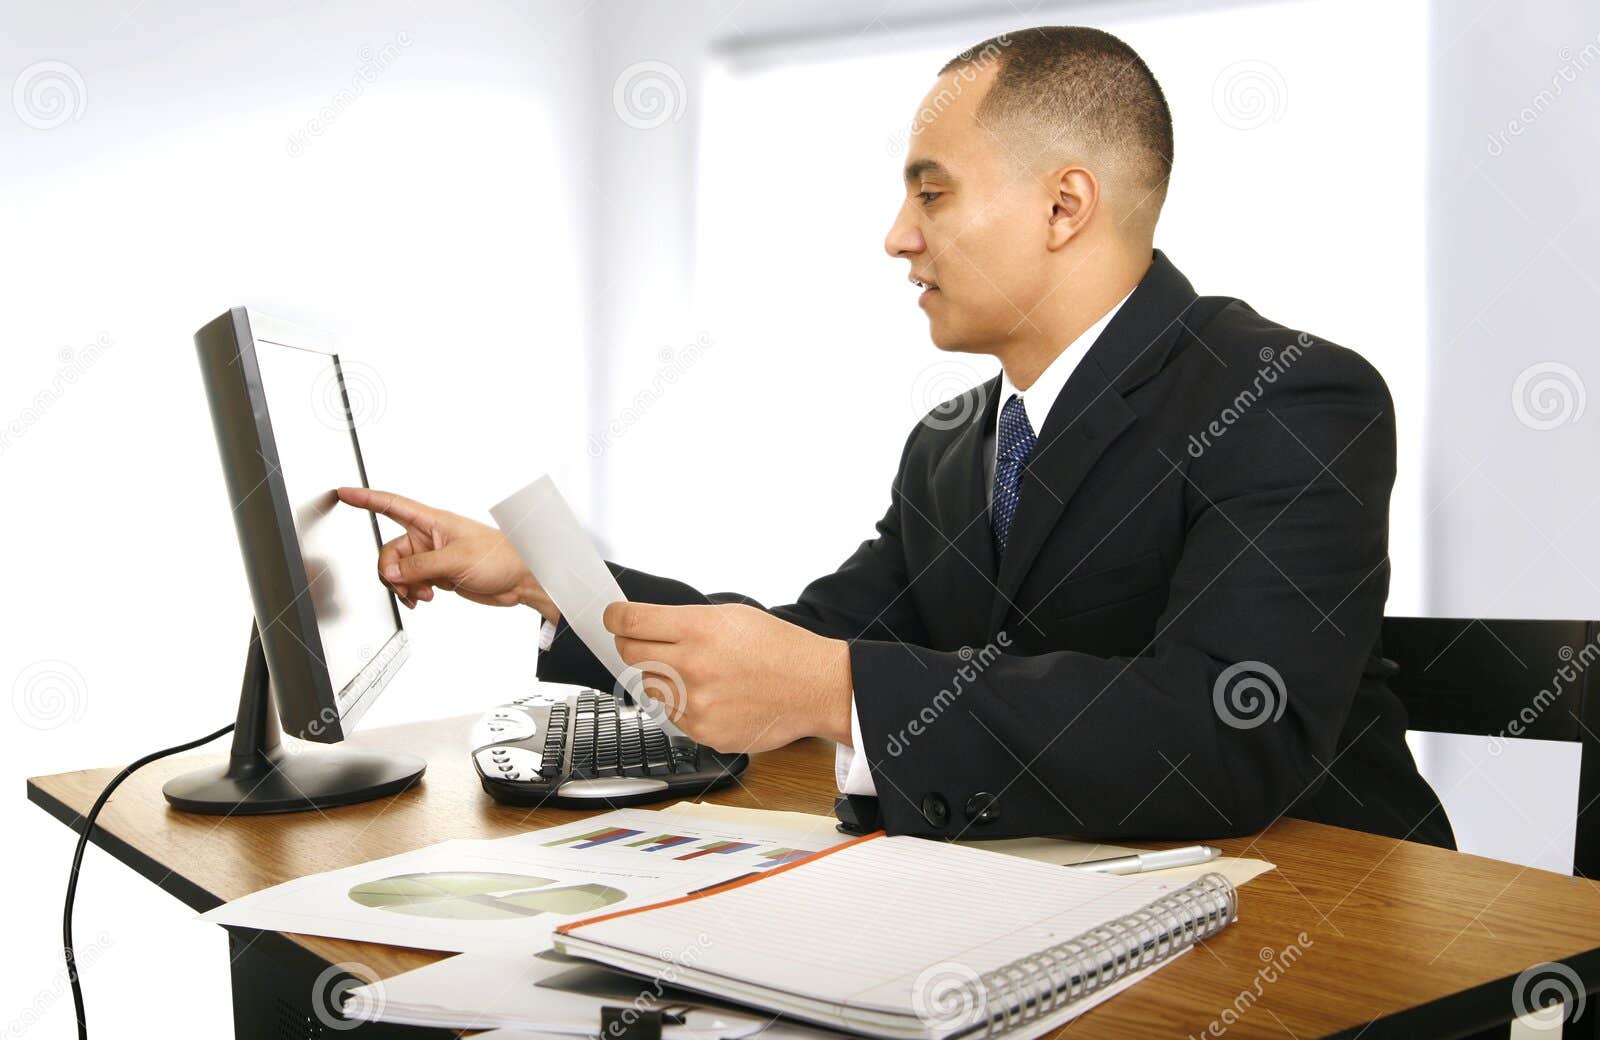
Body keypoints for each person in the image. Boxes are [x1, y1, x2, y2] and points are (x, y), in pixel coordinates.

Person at [340, 25, 1454, 848]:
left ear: (1065, 208)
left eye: (930, 192)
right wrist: (554, 580)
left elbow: (1223, 734)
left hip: (1335, 941)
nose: (894, 237)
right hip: (1053, 898)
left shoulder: (1290, 395)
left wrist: (836, 686)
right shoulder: (953, 440)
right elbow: (807, 642)